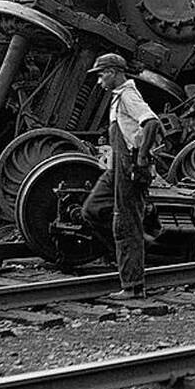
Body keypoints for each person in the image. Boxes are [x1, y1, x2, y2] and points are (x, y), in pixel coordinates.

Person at [80, 53, 162, 299]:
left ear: (115, 72)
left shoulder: (128, 95)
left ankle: (133, 286)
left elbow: (151, 123)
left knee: (125, 224)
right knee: (92, 209)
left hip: (128, 167)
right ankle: (140, 242)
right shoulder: (119, 97)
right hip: (116, 165)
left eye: (102, 74)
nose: (99, 81)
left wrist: (142, 157)